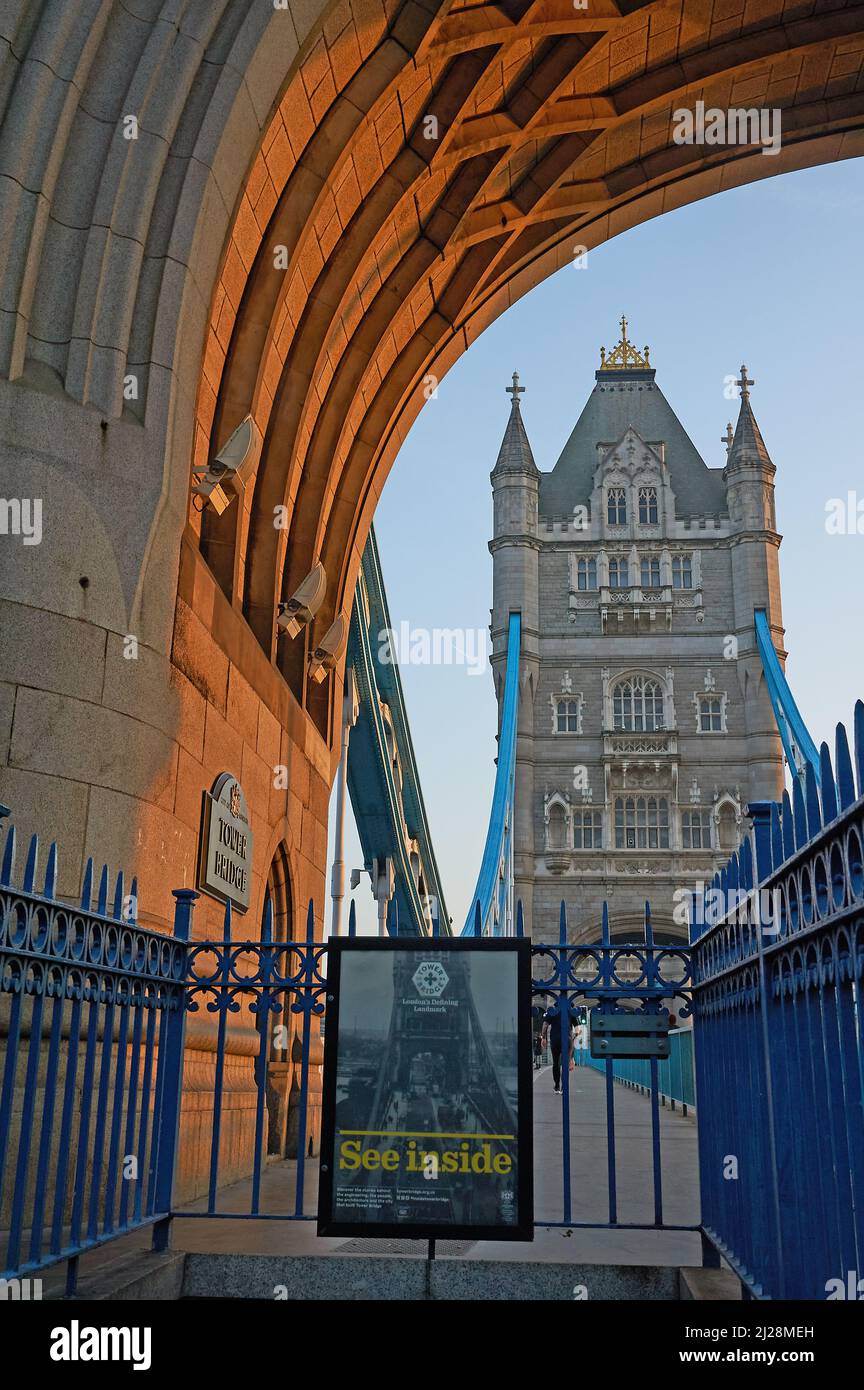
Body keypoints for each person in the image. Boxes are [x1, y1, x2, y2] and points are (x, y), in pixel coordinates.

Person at [542, 1002, 576, 1093]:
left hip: (555, 1040)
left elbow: (545, 1025)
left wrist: (543, 1038)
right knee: (565, 1064)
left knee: (556, 1063)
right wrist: (573, 1037)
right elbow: (578, 1028)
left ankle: (556, 1086)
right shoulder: (570, 1012)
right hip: (566, 1039)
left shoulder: (553, 1011)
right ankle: (564, 1087)